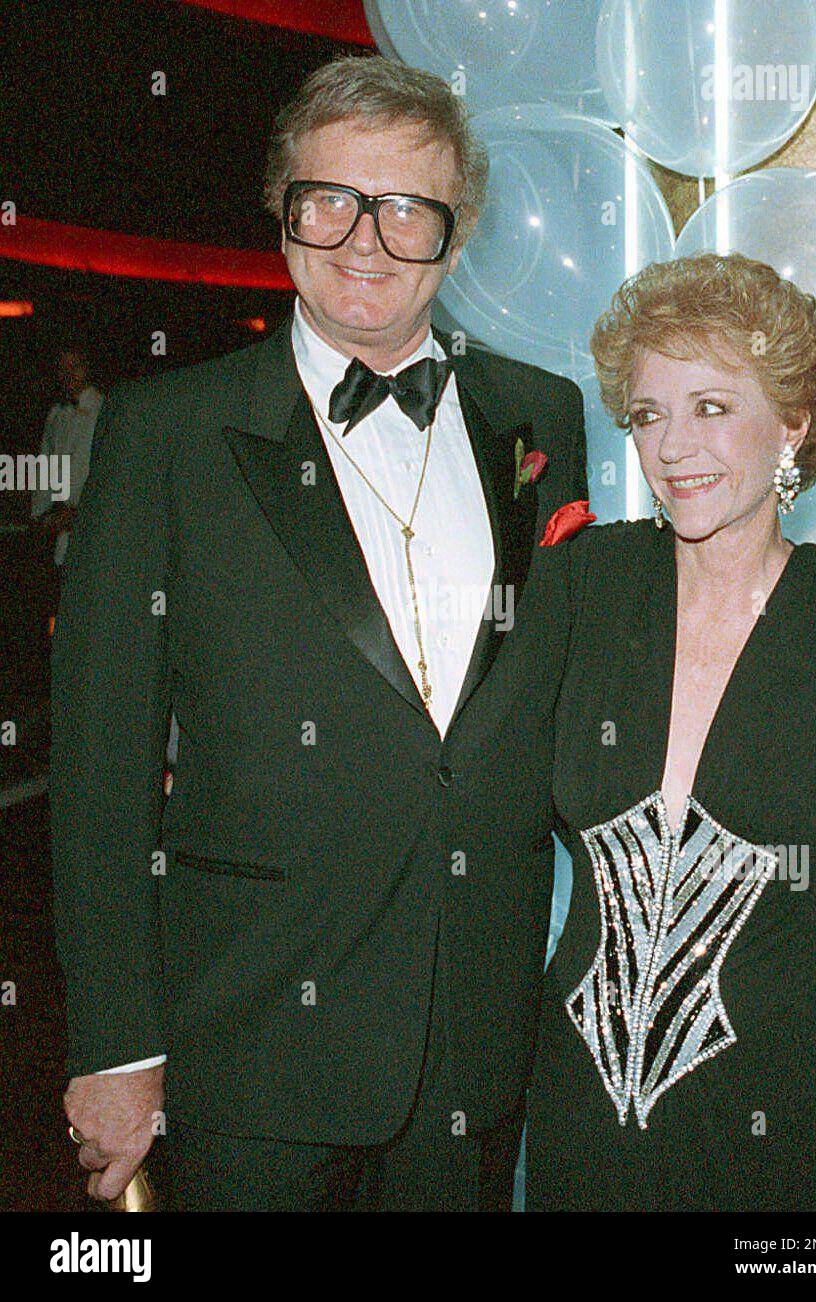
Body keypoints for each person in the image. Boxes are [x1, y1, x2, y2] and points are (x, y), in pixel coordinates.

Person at [51, 55, 587, 1211]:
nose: (363, 239)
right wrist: (114, 1045)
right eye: (328, 199)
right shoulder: (166, 434)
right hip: (246, 1038)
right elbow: (101, 772)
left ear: (460, 231)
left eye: (406, 207)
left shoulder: (544, 418)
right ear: (282, 207)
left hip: (476, 1038)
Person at [525, 252, 816, 1211]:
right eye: (650, 414)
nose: (671, 446)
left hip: (787, 1098)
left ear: (795, 421)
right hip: (579, 1100)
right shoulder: (586, 583)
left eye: (710, 407)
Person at [31, 347, 102, 568]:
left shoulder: (104, 409)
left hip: (94, 525)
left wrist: (80, 512)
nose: (68, 374)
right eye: (63, 369)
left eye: (75, 367)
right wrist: (42, 516)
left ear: (87, 368)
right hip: (60, 532)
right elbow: (46, 468)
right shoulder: (56, 416)